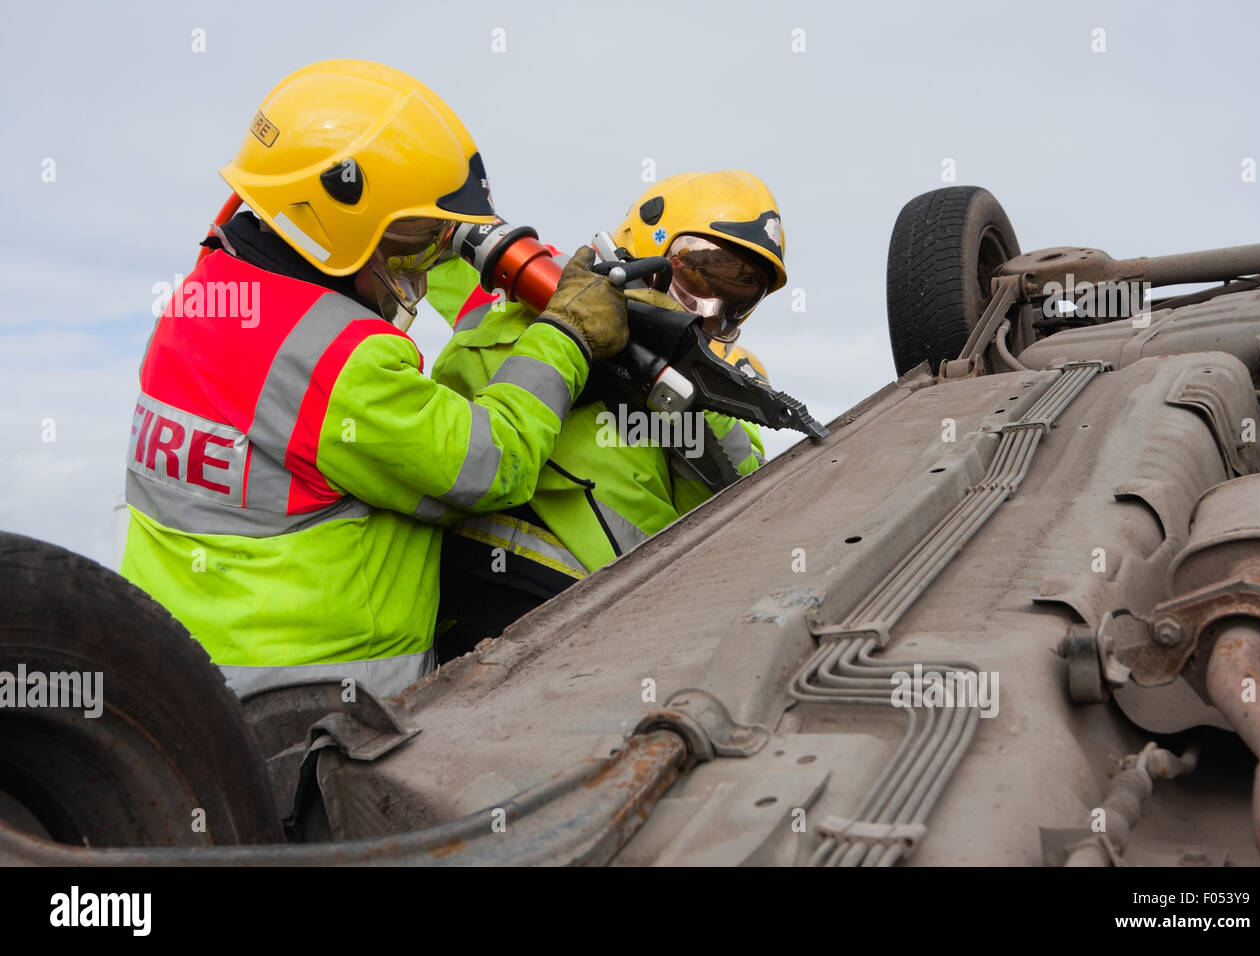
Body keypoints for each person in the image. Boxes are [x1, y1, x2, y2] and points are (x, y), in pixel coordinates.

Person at [119, 60, 630, 698]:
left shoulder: (200, 300)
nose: (419, 263)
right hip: (307, 715)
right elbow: (491, 463)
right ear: (330, 218)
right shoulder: (340, 359)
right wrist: (568, 335)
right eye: (411, 238)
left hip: (175, 684)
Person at [428, 170, 786, 659]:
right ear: (642, 254)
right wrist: (577, 341)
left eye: (734, 302)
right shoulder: (522, 332)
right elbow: (467, 438)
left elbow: (743, 503)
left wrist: (693, 390)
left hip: (619, 635)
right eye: (700, 276)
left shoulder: (699, 393)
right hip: (499, 614)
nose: (708, 310)